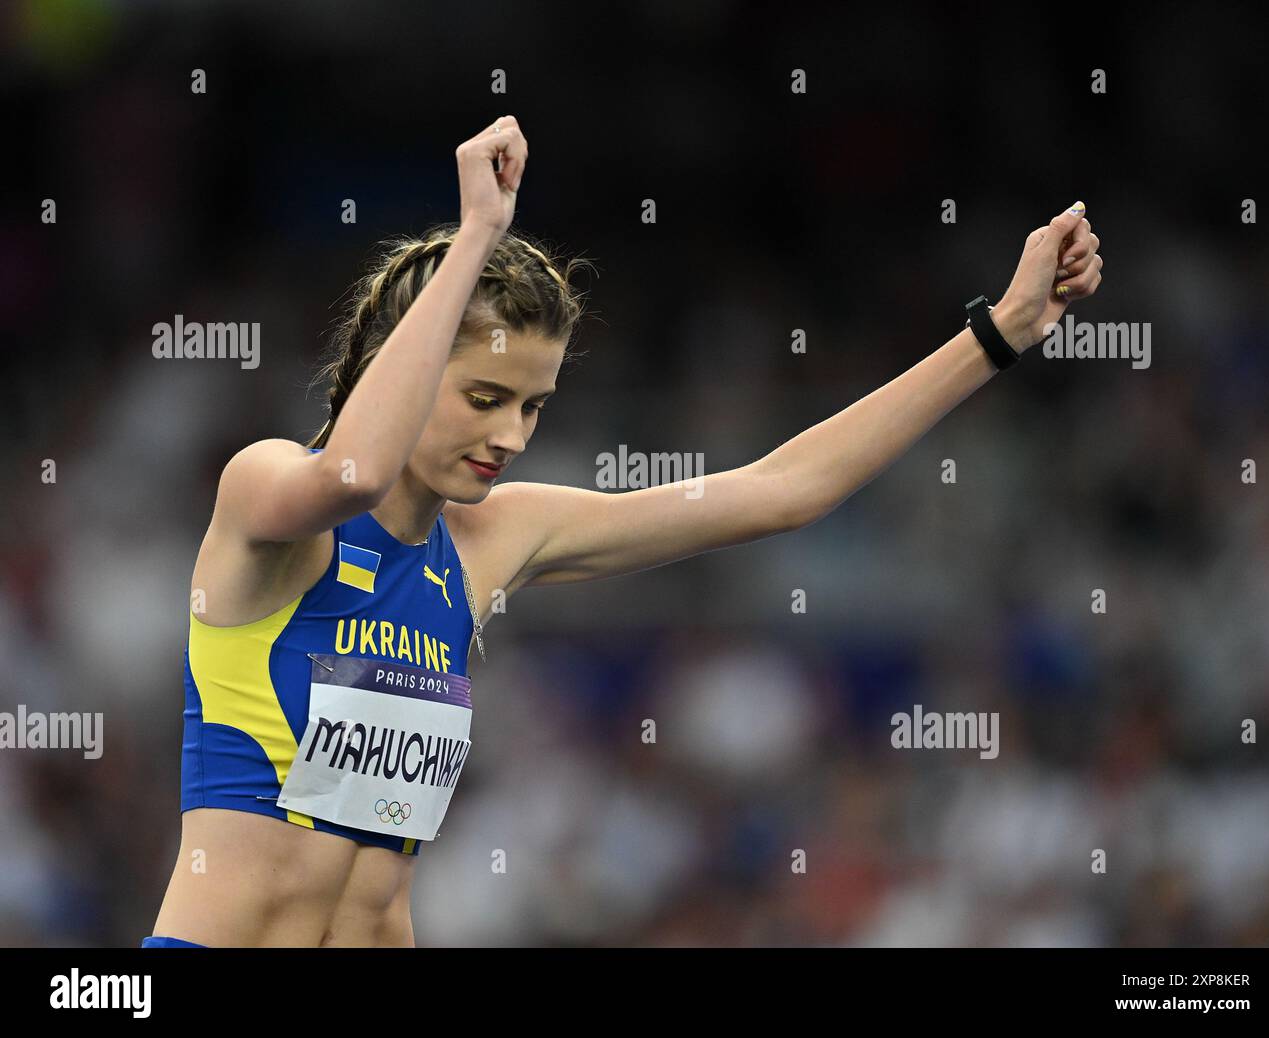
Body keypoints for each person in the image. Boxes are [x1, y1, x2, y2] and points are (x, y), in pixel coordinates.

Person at [143, 114, 1102, 947]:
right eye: (485, 397)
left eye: (532, 407)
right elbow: (352, 472)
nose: (510, 437)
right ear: (405, 363)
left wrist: (1001, 333)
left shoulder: (493, 541)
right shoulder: (268, 494)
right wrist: (477, 234)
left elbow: (783, 490)